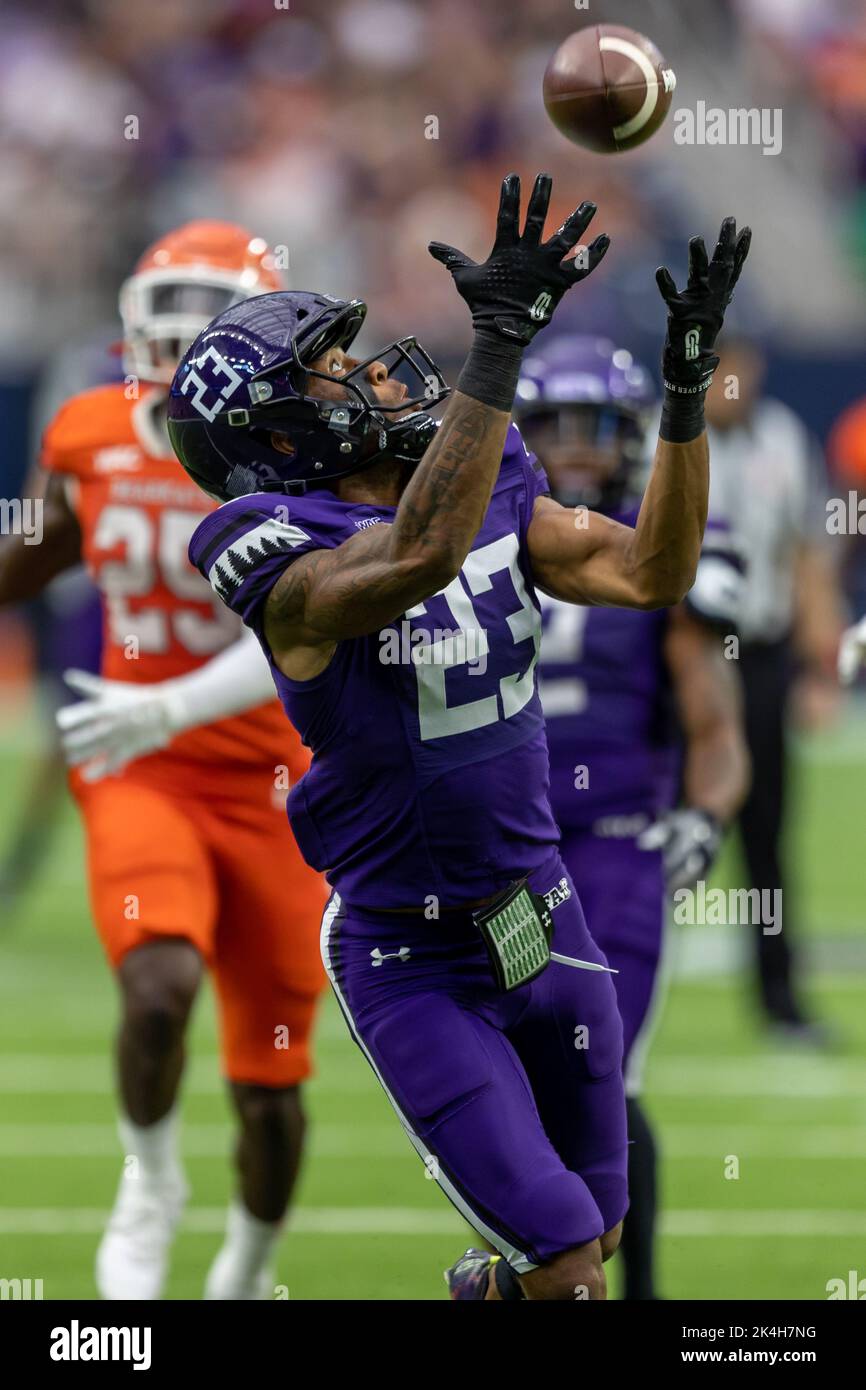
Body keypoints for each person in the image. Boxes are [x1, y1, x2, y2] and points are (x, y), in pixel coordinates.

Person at [168, 173, 750, 1300]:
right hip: (413, 952)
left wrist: (682, 394)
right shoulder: (265, 542)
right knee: (570, 1270)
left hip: (543, 910)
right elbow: (414, 558)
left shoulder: (479, 479)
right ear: (278, 425)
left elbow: (653, 569)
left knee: (589, 1233)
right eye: (331, 367)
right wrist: (496, 344)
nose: (367, 369)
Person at [0, 221, 326, 1300]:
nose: (182, 332)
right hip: (137, 765)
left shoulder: (296, 450)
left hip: (282, 784)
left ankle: (246, 1265)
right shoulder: (89, 430)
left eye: (210, 309)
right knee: (156, 985)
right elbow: (44, 549)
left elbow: (297, 628)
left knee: (269, 1085)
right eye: (170, 305)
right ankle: (147, 1180)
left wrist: (172, 704)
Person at [515, 334, 750, 1299]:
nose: (574, 448)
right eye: (553, 426)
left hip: (614, 846)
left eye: (595, 426)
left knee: (603, 1080)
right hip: (506, 852)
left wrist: (705, 814)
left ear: (630, 437)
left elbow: (713, 718)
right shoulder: (481, 537)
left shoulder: (661, 549)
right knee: (514, 1095)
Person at [703, 337, 844, 1040]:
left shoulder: (783, 437)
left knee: (767, 835)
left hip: (758, 657)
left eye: (746, 368)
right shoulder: (665, 439)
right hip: (680, 657)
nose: (737, 383)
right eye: (725, 368)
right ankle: (606, 990)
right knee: (645, 827)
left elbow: (807, 555)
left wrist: (821, 666)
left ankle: (780, 999)